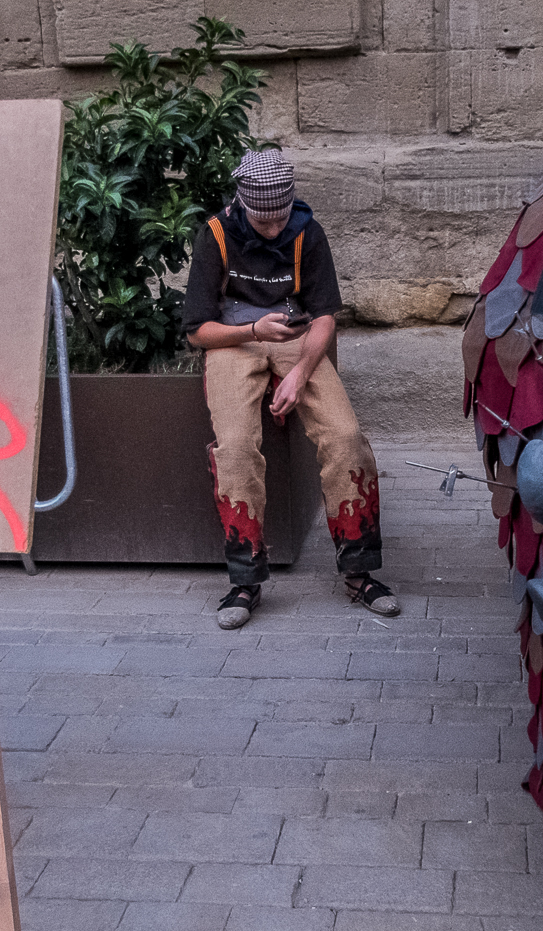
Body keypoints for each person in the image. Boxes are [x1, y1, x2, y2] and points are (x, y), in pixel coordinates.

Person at [183, 149, 399, 629]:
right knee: (236, 447)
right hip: (233, 341)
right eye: (264, 220)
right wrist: (254, 330)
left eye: (281, 217)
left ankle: (359, 573)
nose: (275, 228)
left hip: (296, 339)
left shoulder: (307, 232)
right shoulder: (216, 235)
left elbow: (324, 316)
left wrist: (300, 372)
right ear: (243, 207)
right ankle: (245, 581)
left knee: (346, 438)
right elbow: (198, 330)